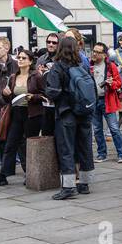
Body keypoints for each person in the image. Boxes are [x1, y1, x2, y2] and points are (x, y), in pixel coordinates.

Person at [45, 37, 96, 200]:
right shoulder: (82, 66)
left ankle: (68, 186)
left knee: (66, 149)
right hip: (84, 113)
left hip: (66, 113)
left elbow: (52, 92)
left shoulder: (57, 67)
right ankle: (84, 183)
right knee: (85, 147)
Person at [0, 49, 37, 188]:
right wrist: (5, 93)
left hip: (31, 114)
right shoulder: (14, 77)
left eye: (23, 58)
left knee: (27, 145)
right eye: (19, 57)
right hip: (16, 113)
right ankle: (3, 175)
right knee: (10, 144)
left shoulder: (36, 76)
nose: (20, 60)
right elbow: (9, 98)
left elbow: (44, 94)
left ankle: (30, 173)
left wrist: (34, 97)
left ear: (30, 61)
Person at [90, 43, 122, 163]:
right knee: (97, 129)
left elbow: (119, 83)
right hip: (94, 101)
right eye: (94, 50)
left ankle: (121, 154)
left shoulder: (111, 66)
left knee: (114, 128)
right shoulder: (89, 66)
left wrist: (112, 83)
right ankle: (102, 154)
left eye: (98, 52)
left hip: (107, 101)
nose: (94, 53)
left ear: (104, 55)